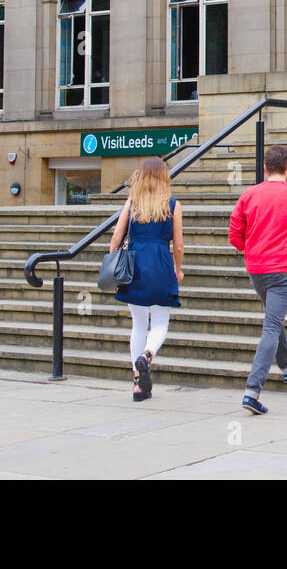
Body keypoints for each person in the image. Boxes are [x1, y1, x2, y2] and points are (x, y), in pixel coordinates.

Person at [228, 144, 287, 415]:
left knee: (272, 317)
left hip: (256, 268)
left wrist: (251, 248)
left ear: (265, 168)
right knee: (271, 325)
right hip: (282, 269)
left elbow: (234, 235)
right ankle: (253, 390)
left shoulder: (249, 194)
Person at [109, 157, 184, 403]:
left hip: (135, 266)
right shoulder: (173, 205)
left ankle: (138, 385)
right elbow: (179, 246)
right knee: (160, 323)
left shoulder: (132, 203)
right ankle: (148, 355)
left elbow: (116, 237)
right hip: (161, 264)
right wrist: (178, 268)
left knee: (138, 324)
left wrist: (113, 267)